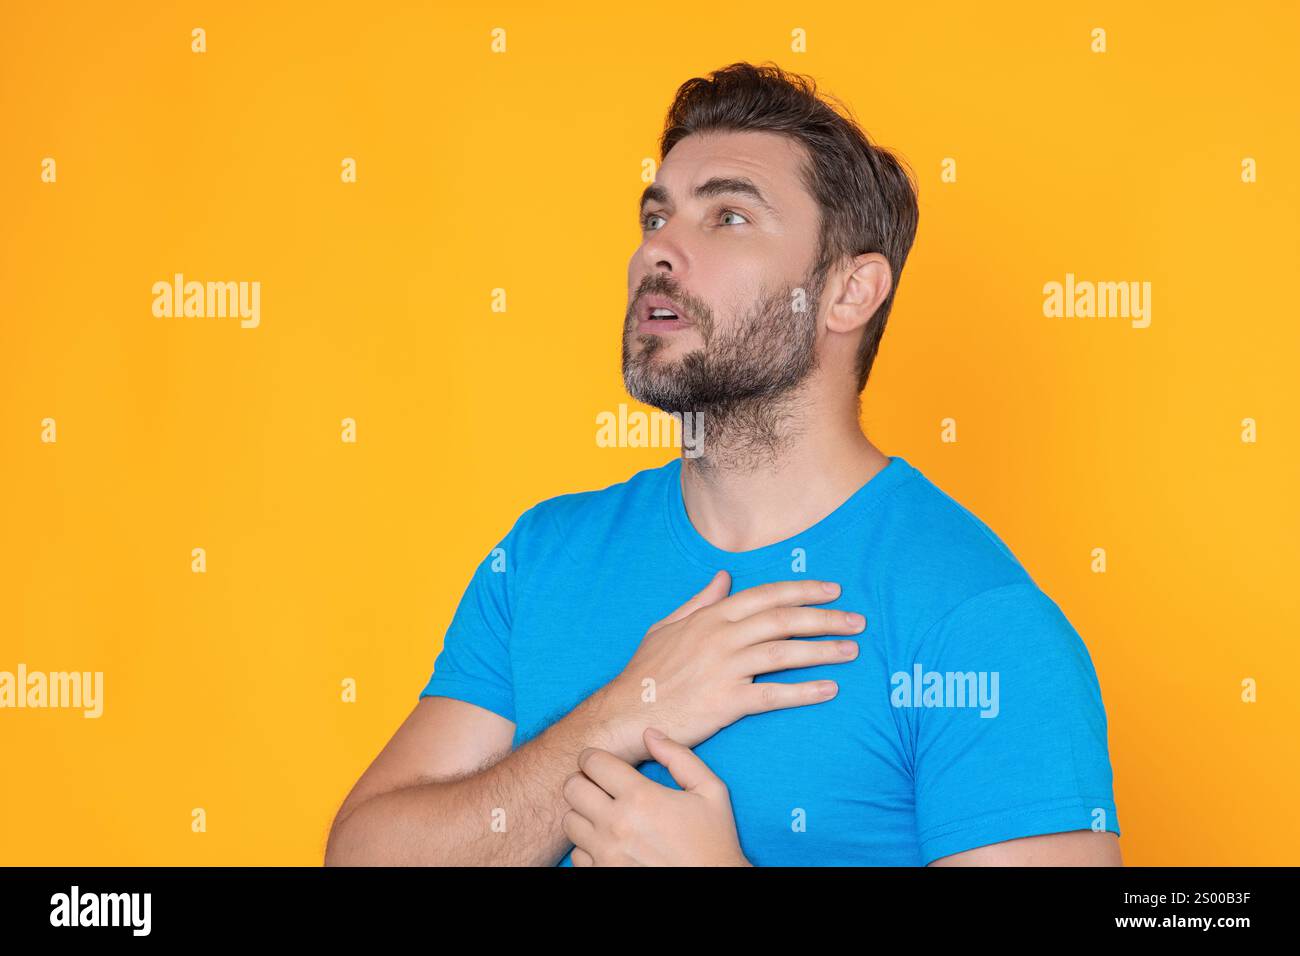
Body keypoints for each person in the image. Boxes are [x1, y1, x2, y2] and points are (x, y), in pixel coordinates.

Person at [325, 61, 1121, 867]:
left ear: (848, 293)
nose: (659, 251)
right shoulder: (542, 557)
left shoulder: (977, 618)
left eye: (729, 217)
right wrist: (621, 713)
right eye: (654, 218)